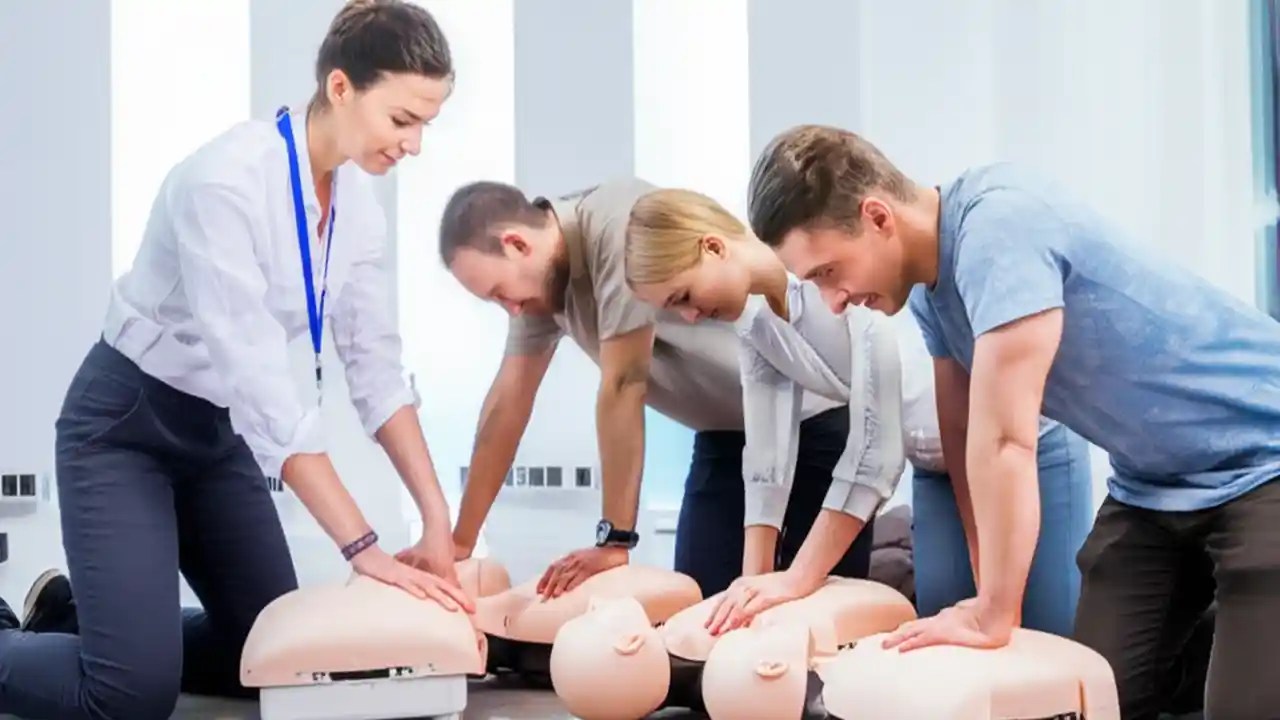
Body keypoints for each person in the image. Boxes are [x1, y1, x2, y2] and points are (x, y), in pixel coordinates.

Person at [0, 3, 472, 719]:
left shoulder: (358, 207)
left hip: (215, 439)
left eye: (425, 126)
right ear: (341, 88)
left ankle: (73, 614)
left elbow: (376, 368)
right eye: (402, 120)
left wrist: (437, 523)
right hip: (125, 428)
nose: (413, 144)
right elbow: (262, 386)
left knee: (274, 657)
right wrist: (365, 549)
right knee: (127, 695)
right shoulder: (223, 181)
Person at [744, 123, 1280, 719]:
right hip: (1153, 490)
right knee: (1093, 698)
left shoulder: (999, 228)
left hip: (1266, 458)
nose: (833, 301)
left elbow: (1005, 440)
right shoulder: (929, 292)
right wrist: (984, 593)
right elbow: (965, 441)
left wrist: (997, 609)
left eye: (826, 272)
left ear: (877, 217)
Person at [622, 187, 1093, 639]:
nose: (688, 318)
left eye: (682, 297)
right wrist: (752, 592)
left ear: (713, 247)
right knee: (949, 642)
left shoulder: (834, 276)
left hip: (1024, 449)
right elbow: (766, 465)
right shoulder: (755, 327)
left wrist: (797, 578)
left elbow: (875, 455)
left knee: (1040, 635)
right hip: (935, 467)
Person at [437, 178, 874, 601]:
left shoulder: (618, 224)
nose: (510, 310)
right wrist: (459, 544)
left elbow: (624, 383)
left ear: (517, 243)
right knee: (703, 619)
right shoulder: (538, 293)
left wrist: (614, 540)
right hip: (726, 438)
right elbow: (506, 406)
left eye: (498, 293)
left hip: (816, 425)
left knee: (808, 622)